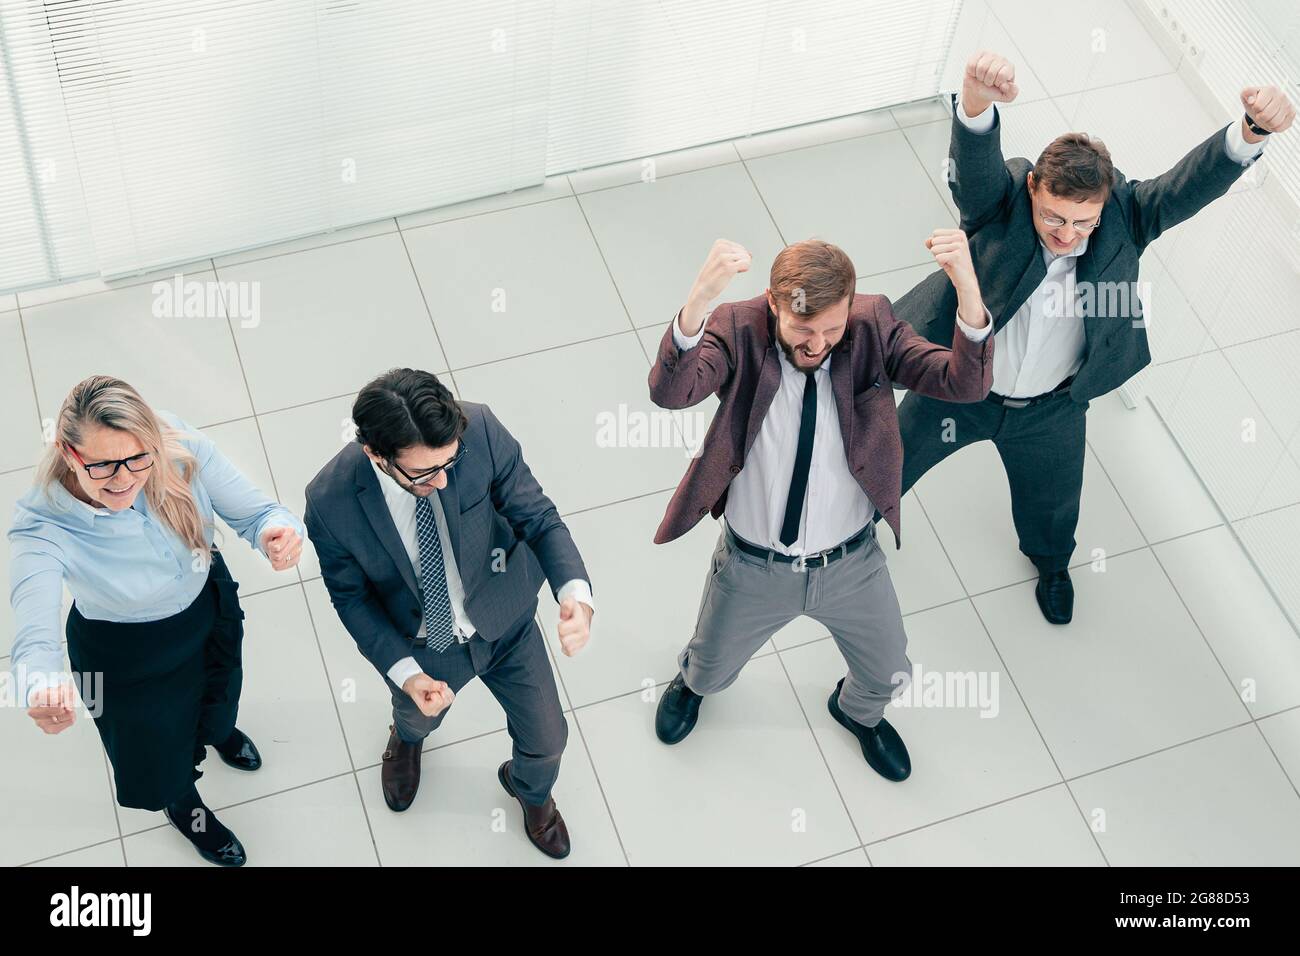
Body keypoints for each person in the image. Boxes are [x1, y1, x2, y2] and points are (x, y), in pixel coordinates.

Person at [891, 50, 1296, 624]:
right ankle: (848, 530)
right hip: (959, 386)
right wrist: (976, 103)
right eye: (1054, 218)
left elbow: (1188, 187)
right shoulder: (1002, 201)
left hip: (1051, 408)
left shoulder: (1126, 217)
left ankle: (1051, 564)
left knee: (1054, 503)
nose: (1067, 235)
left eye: (1084, 222)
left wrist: (1250, 130)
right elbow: (976, 173)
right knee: (891, 458)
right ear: (1032, 189)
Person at [647, 230, 992, 780]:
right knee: (709, 670)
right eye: (802, 329)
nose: (817, 344)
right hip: (754, 564)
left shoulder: (872, 324)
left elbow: (963, 383)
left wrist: (968, 294)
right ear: (772, 303)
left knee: (890, 673)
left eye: (831, 329)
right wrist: (697, 303)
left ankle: (854, 710)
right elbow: (672, 391)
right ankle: (692, 685)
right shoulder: (738, 326)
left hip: (851, 564)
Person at [9, 375, 304, 867]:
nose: (124, 478)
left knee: (221, 689)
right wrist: (39, 685)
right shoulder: (42, 524)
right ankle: (186, 807)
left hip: (206, 608)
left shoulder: (178, 445)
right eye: (102, 465)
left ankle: (219, 732)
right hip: (127, 652)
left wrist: (278, 532)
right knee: (157, 749)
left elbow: (260, 514)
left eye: (138, 459)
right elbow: (33, 633)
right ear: (67, 452)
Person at [303, 368, 593, 859]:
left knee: (549, 738)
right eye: (422, 474)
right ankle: (407, 740)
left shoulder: (477, 429)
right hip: (423, 644)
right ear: (375, 453)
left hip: (507, 620)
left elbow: (537, 517)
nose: (441, 481)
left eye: (449, 464)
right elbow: (351, 600)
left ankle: (532, 793)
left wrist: (575, 593)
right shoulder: (329, 502)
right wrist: (407, 674)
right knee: (418, 717)